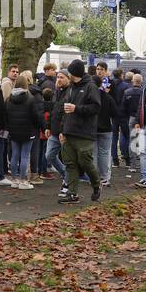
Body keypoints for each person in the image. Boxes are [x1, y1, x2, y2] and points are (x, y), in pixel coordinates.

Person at [55, 59, 101, 203]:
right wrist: (62, 130)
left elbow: (95, 108)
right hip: (69, 132)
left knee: (85, 162)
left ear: (73, 73)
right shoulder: (71, 88)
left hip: (84, 132)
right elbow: (65, 111)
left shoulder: (90, 87)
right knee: (70, 164)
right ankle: (72, 193)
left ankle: (96, 185)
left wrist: (77, 109)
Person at [5, 70, 43, 189]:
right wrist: (39, 126)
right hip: (28, 131)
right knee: (25, 155)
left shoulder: (9, 98)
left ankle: (15, 179)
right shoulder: (30, 99)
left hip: (13, 131)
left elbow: (6, 115)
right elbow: (35, 116)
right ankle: (23, 180)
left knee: (15, 155)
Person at [95, 75, 116, 187]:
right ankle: (104, 177)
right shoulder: (107, 97)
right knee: (104, 153)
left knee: (93, 153)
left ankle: (93, 176)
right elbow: (114, 113)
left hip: (92, 128)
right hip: (106, 128)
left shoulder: (89, 97)